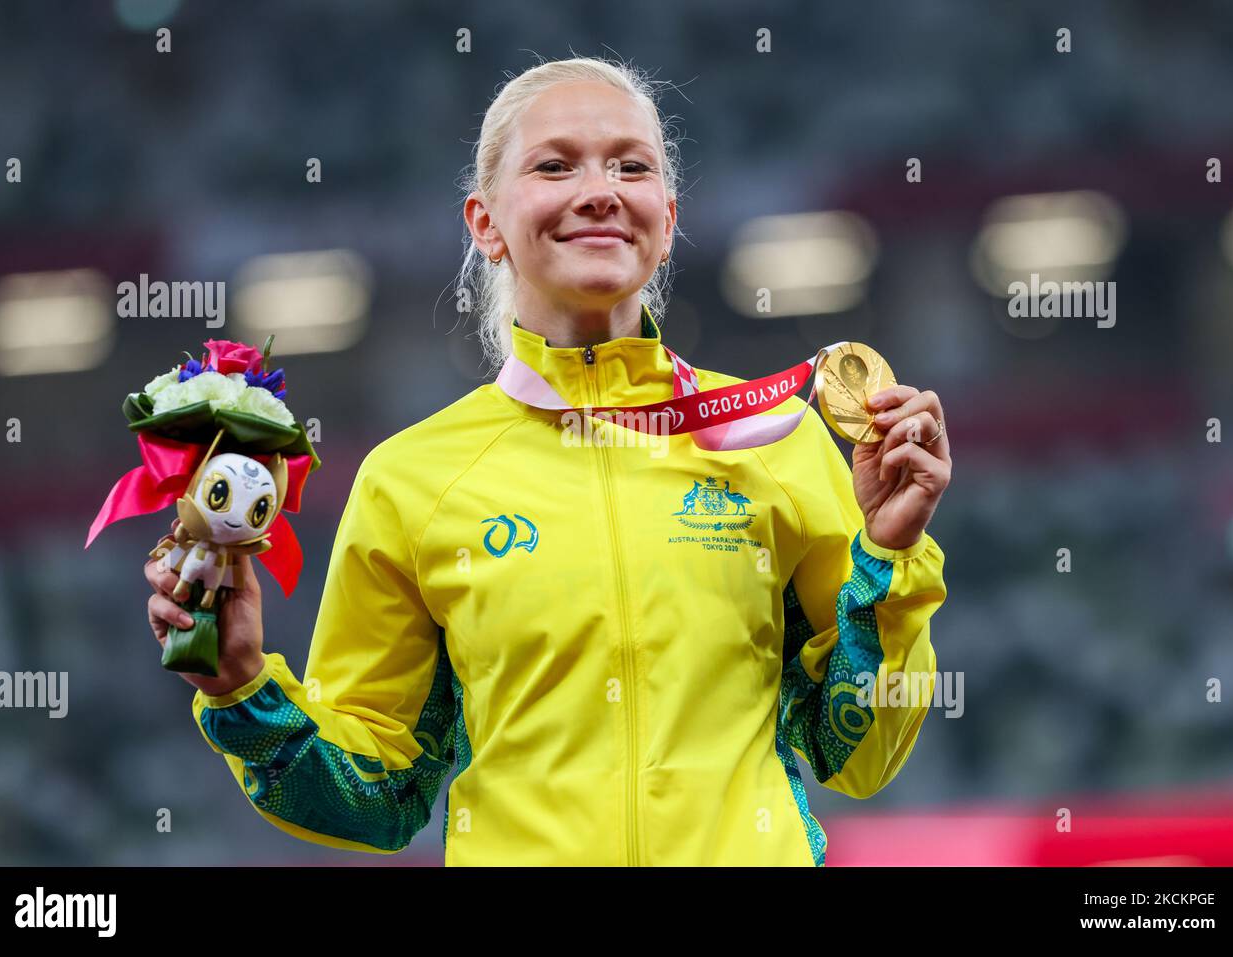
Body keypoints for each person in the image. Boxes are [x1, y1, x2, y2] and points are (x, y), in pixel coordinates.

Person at [144, 55, 952, 867]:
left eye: (632, 166)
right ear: (485, 223)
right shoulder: (412, 480)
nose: (600, 190)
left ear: (666, 220)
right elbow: (380, 797)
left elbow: (860, 755)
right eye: (555, 165)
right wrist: (240, 686)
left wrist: (889, 560)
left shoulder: (774, 437)